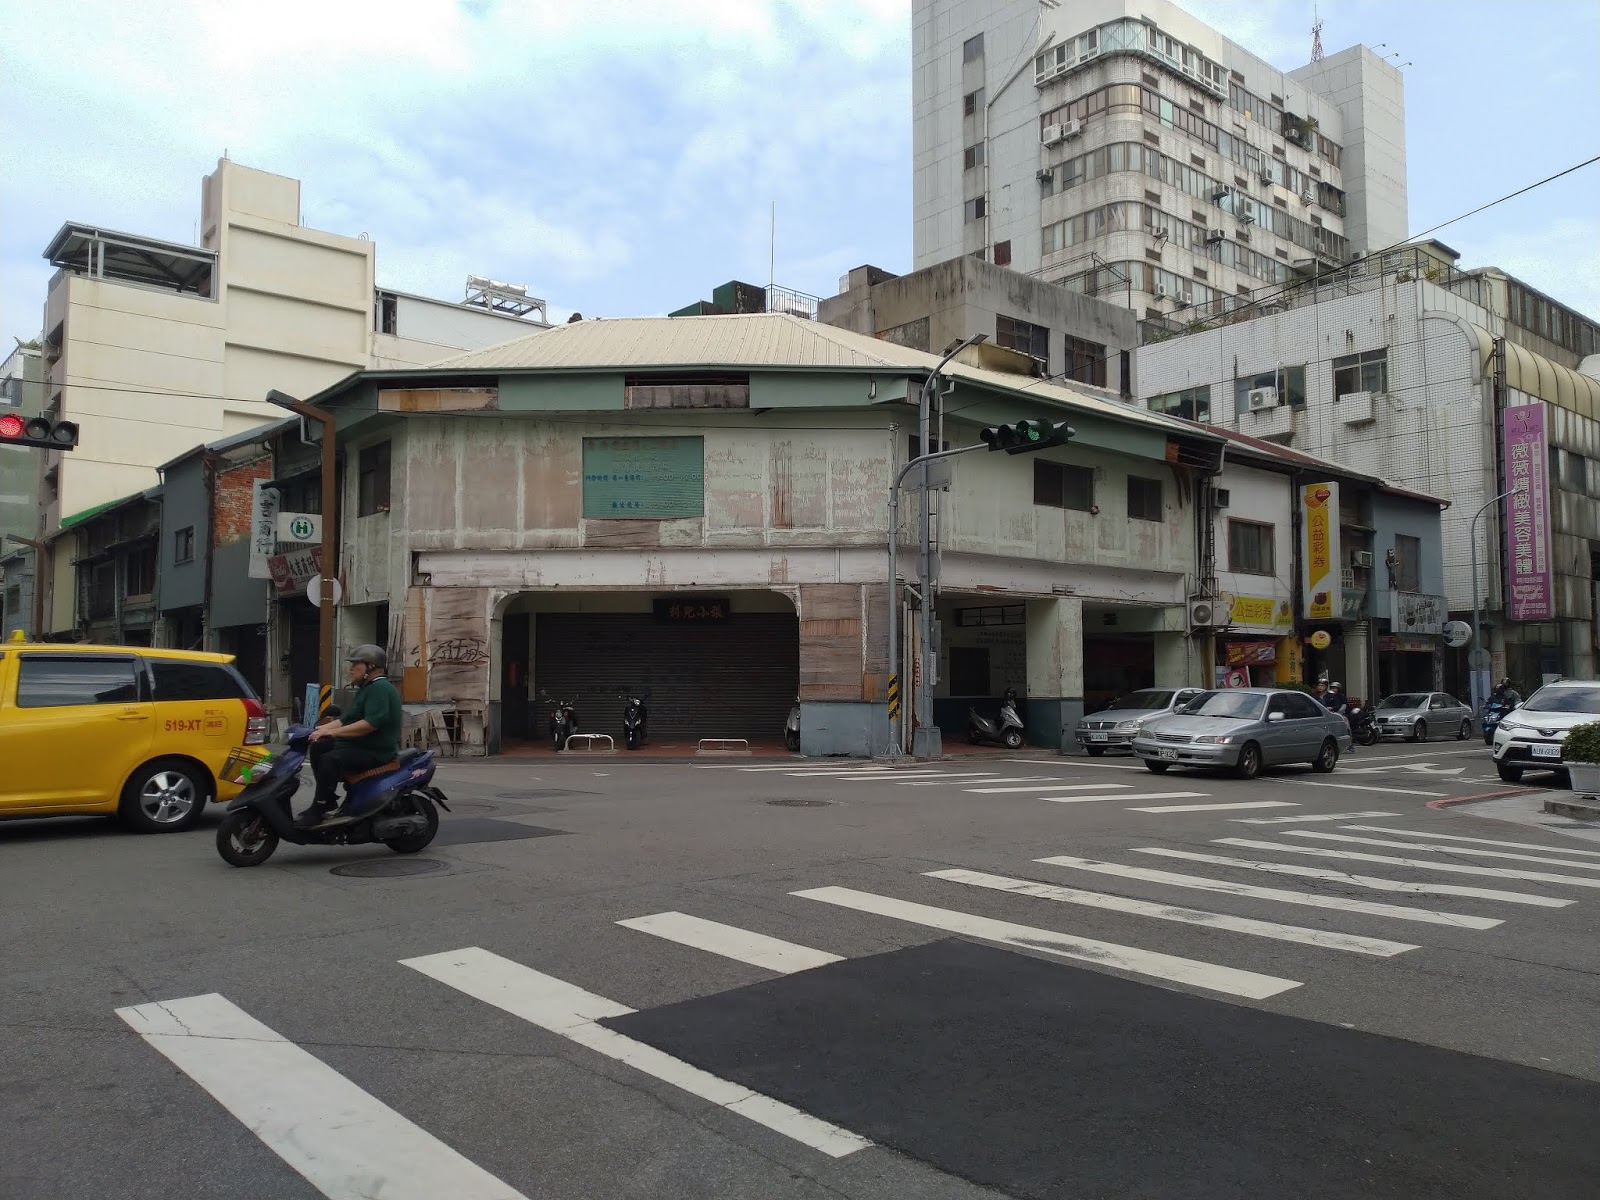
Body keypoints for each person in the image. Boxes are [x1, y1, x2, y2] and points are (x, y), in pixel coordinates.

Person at [296, 645, 403, 828]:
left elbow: (370, 724)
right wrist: (314, 731)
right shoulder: (366, 688)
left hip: (376, 751)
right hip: (360, 747)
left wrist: (331, 732)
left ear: (370, 666)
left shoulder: (380, 688)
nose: (351, 669)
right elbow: (346, 720)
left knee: (331, 759)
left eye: (356, 664)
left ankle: (319, 808)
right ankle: (327, 798)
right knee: (319, 746)